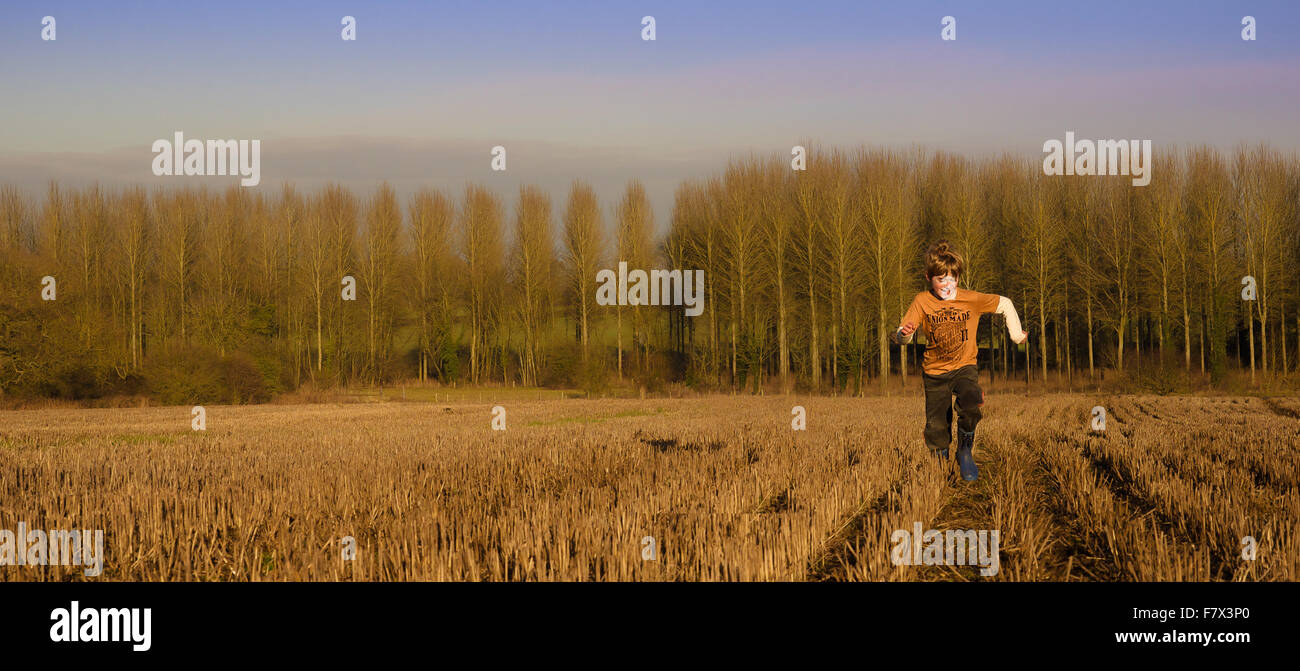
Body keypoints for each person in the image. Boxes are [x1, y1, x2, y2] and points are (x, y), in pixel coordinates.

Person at [889, 240, 1027, 481]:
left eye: (952, 278)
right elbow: (903, 336)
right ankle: (941, 463)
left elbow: (1005, 303)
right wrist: (905, 333)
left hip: (965, 366)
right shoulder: (922, 301)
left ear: (959, 278)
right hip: (935, 372)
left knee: (972, 399)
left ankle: (965, 451)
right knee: (937, 427)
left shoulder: (971, 299)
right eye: (940, 279)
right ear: (928, 277)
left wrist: (1016, 335)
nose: (947, 285)